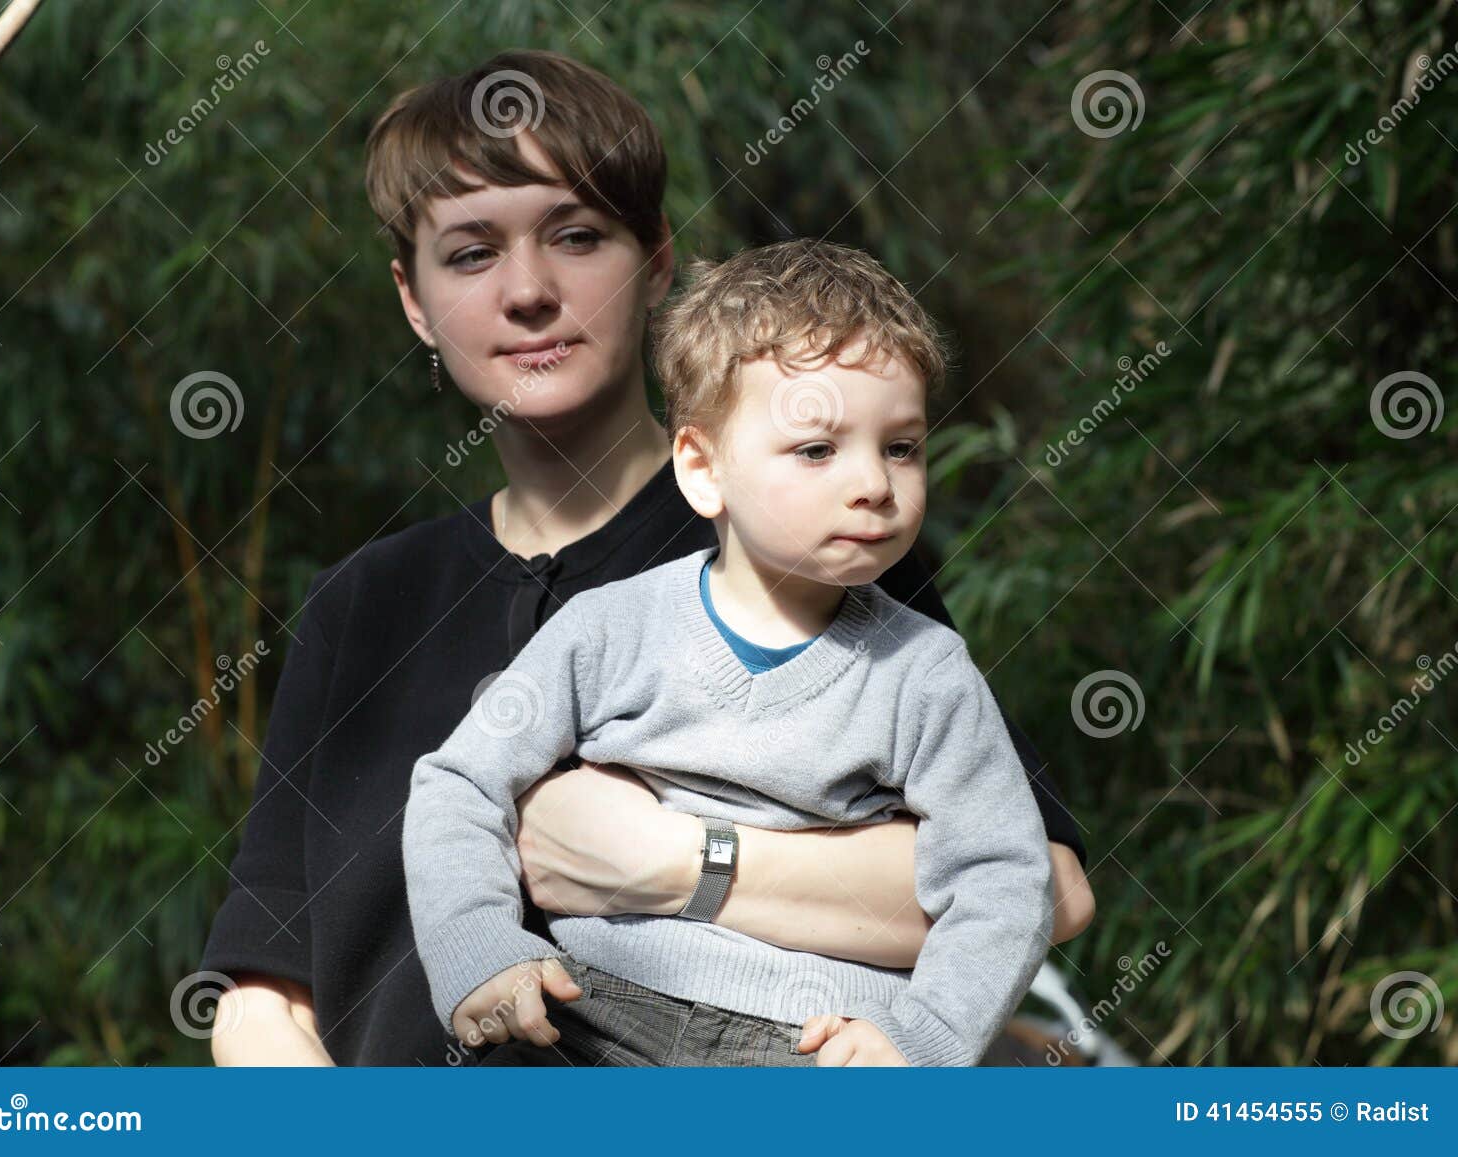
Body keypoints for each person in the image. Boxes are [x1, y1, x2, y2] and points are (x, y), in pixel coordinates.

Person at [202, 49, 1092, 1067]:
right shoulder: (365, 603)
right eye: (470, 253)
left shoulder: (807, 537)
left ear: (657, 260)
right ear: (413, 300)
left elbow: (1045, 888)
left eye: (576, 237)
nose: (529, 291)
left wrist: (675, 863)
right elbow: (266, 997)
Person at [404, 238, 1053, 1067]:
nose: (874, 484)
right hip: (595, 1011)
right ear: (703, 469)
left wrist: (919, 1037)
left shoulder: (925, 673)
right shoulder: (607, 629)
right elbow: (459, 783)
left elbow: (1005, 878)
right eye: (817, 449)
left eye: (901, 446)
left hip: (812, 1043)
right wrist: (480, 951)